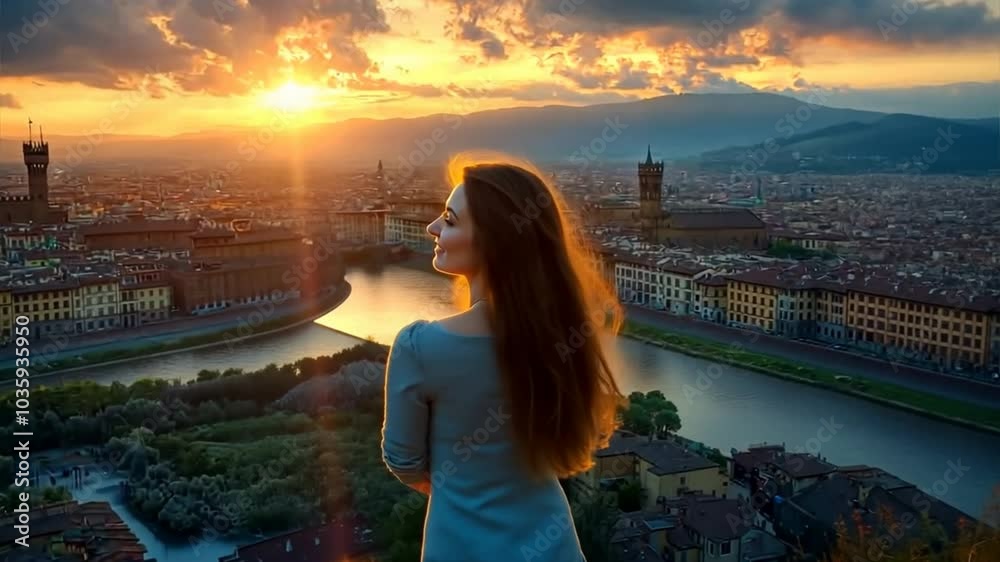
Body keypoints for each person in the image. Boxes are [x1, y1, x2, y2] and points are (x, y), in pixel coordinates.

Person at [381, 159, 625, 562]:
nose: (432, 228)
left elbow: (404, 461)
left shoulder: (420, 347)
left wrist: (463, 487)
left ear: (493, 241)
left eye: (449, 220)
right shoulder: (561, 334)